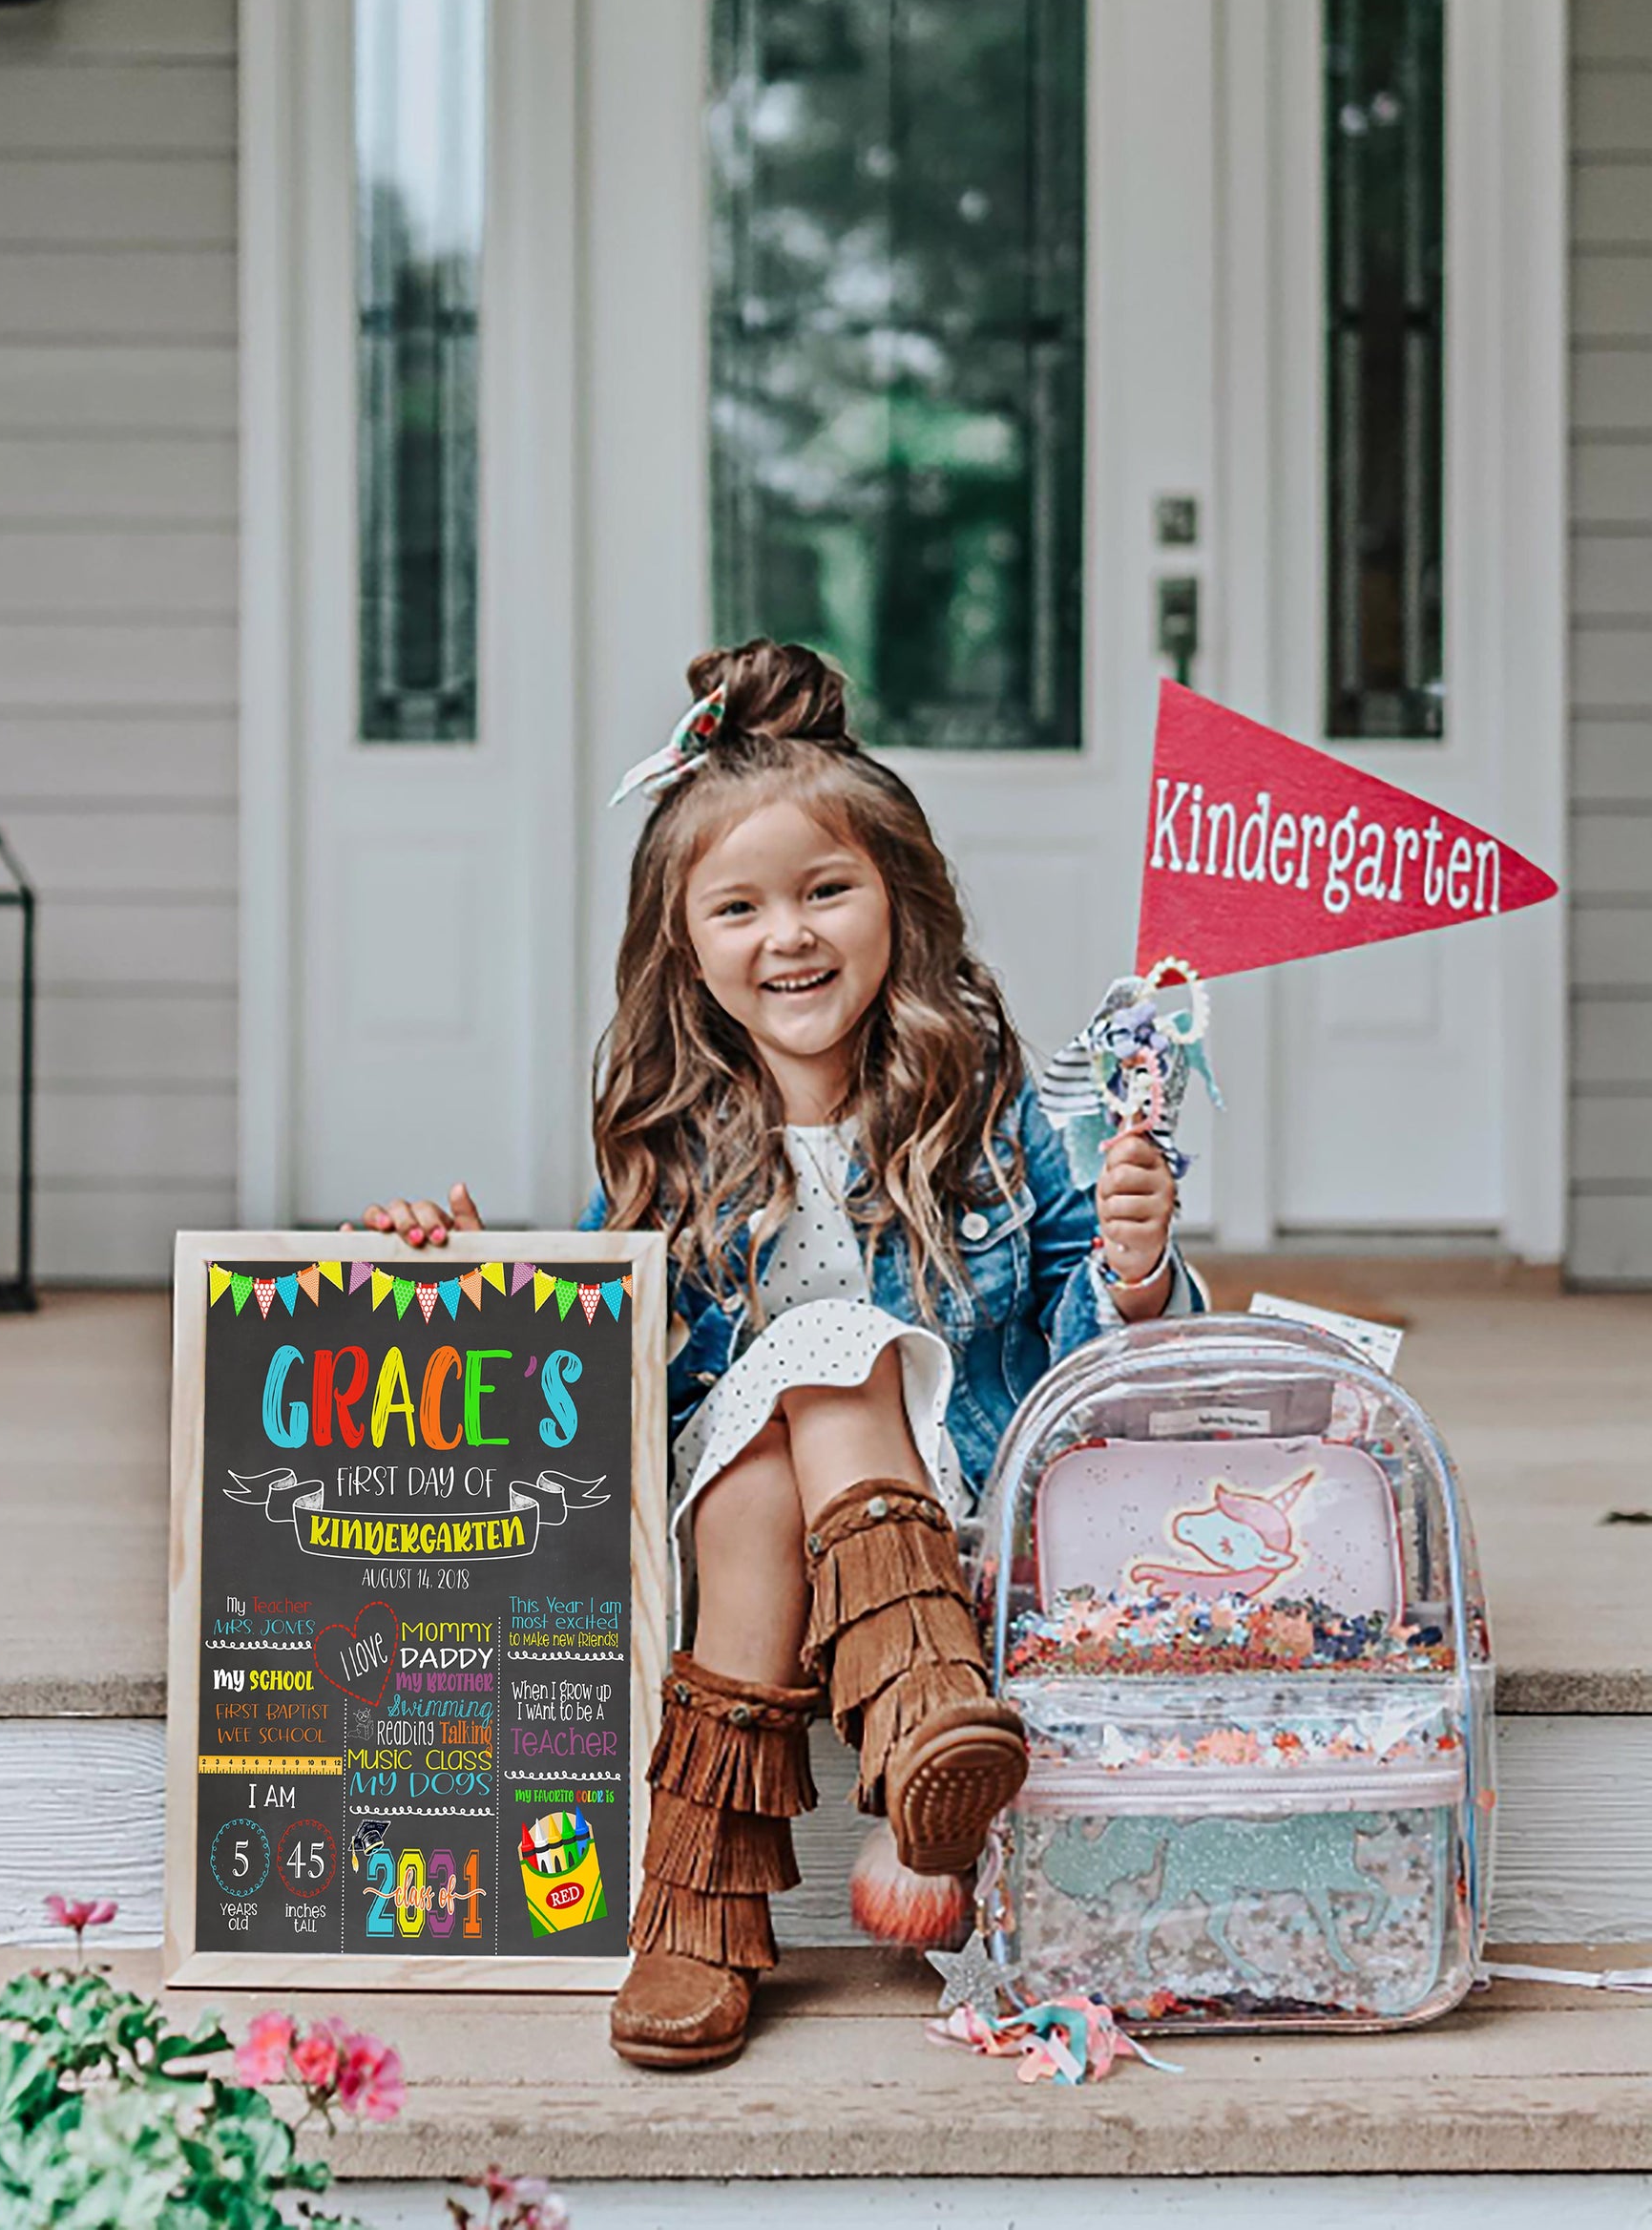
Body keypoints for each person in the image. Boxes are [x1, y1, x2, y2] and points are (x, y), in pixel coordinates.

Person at [355, 639, 1200, 2070]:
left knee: (819, 1371)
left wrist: (1134, 1269)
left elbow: (1081, 1370)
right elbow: (605, 1355)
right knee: (774, 1418)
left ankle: (715, 1878)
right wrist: (476, 1271)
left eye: (827, 890)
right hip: (755, 1532)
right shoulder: (673, 1140)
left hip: (941, 1496)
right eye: (739, 905)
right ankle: (898, 1734)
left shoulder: (987, 1112)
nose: (789, 935)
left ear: (900, 901)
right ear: (685, 944)